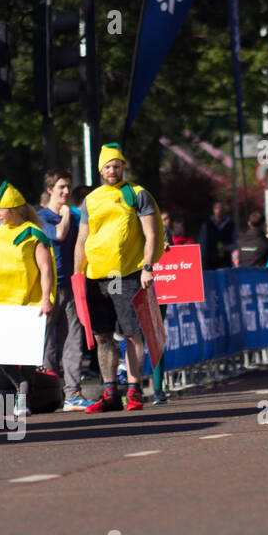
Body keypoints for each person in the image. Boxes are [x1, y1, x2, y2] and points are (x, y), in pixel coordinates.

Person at [73, 142, 164, 414]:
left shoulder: (137, 194)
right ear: (100, 170)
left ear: (124, 166)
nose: (112, 170)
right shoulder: (92, 199)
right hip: (97, 276)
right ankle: (110, 392)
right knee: (102, 336)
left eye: (116, 165)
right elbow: (82, 239)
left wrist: (147, 267)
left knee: (133, 334)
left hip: (127, 275)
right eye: (107, 166)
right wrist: (78, 275)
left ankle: (135, 391)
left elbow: (152, 233)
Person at [0, 181, 55, 418]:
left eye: (0, 210)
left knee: (25, 355)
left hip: (27, 305)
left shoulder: (34, 234)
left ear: (12, 209)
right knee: (0, 355)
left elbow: (46, 269)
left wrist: (46, 298)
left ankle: (23, 395)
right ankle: (20, 388)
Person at [38, 168, 89, 411]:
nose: (67, 191)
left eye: (68, 187)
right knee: (48, 345)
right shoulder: (42, 217)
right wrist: (66, 214)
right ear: (50, 190)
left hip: (72, 285)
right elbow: (58, 236)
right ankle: (48, 394)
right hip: (49, 290)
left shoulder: (75, 216)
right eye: (61, 187)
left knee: (73, 341)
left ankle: (72, 394)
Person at [198, 201, 234, 270]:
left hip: (226, 262)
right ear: (213, 210)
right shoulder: (207, 225)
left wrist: (227, 247)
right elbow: (203, 243)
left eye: (221, 208)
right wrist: (202, 260)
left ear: (224, 210)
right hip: (210, 262)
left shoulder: (231, 225)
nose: (219, 210)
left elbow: (236, 242)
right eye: (217, 208)